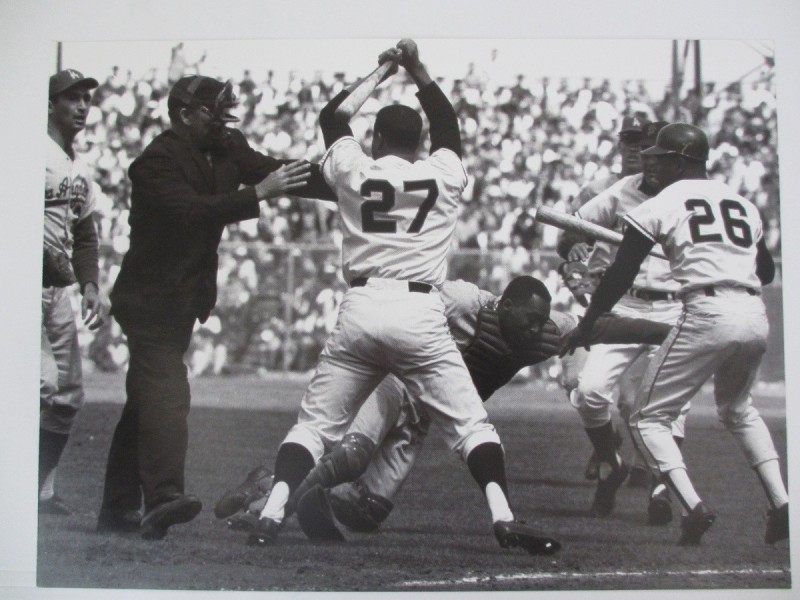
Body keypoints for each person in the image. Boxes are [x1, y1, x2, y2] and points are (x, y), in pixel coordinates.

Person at [244, 40, 560, 555]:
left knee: (314, 427)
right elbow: (450, 126)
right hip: (419, 311)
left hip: (362, 307)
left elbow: (332, 116)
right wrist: (418, 69)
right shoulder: (442, 173)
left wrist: (383, 70)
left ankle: (273, 510)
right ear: (419, 144)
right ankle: (503, 517)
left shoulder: (355, 169)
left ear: (378, 137)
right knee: (470, 426)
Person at [215, 276, 671, 536]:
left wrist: (663, 332)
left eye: (540, 321)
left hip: (424, 418)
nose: (535, 329)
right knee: (351, 456)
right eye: (528, 318)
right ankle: (267, 505)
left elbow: (605, 326)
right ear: (504, 305)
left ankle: (291, 485)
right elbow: (404, 302)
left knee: (367, 511)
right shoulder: (460, 299)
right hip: (395, 384)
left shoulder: (550, 331)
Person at [97, 74, 335, 540]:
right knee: (168, 389)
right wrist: (258, 194)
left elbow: (279, 169)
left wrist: (348, 184)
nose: (223, 120)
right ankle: (163, 496)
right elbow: (192, 210)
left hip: (183, 298)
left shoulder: (227, 146)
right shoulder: (155, 163)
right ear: (183, 114)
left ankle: (117, 508)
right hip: (148, 298)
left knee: (143, 403)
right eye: (212, 111)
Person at [560, 123, 790, 546]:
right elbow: (767, 271)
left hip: (703, 310)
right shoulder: (741, 203)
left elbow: (618, 274)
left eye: (662, 159)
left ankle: (692, 507)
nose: (653, 164)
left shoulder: (664, 201)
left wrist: (588, 323)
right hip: (754, 313)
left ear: (682, 162)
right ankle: (781, 502)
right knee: (739, 410)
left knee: (647, 417)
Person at [558, 121, 695, 524]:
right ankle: (609, 461)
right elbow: (571, 228)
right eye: (642, 153)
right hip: (625, 304)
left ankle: (659, 489)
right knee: (589, 391)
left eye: (654, 154)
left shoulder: (691, 196)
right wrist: (575, 242)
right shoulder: (621, 190)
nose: (647, 162)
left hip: (674, 308)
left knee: (668, 406)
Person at [41, 69, 107, 515]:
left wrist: (89, 284)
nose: (82, 105)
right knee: (40, 384)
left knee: (67, 397)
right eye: (72, 98)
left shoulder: (80, 168)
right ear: (49, 104)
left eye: (86, 98)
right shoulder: (28, 154)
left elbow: (85, 233)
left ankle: (39, 492)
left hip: (57, 290)